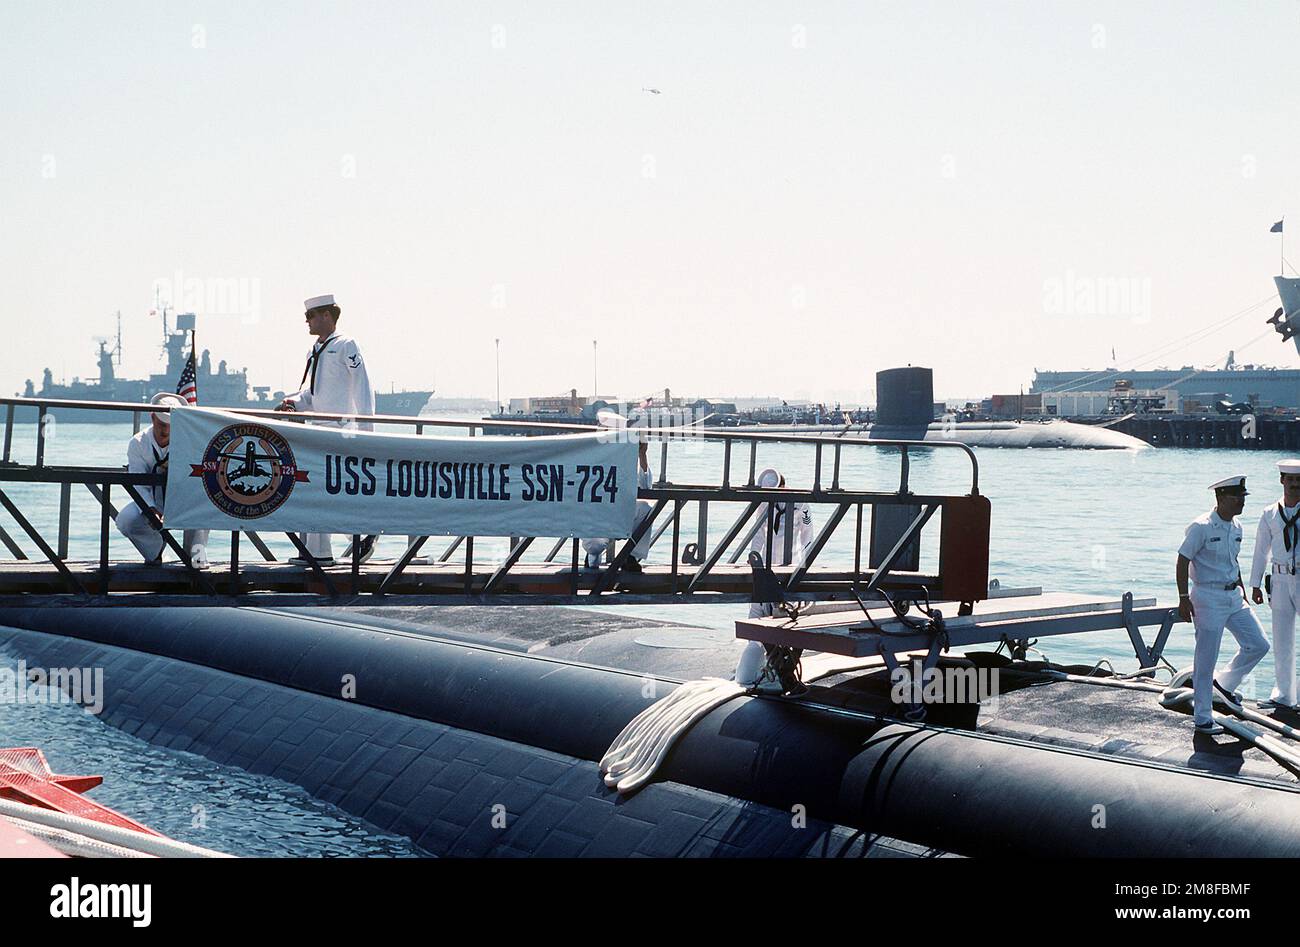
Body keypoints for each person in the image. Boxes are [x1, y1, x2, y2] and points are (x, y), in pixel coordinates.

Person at [276, 293, 376, 566]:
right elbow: (313, 393)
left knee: (331, 489)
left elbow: (363, 387)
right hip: (318, 430)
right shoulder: (314, 351)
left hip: (341, 431)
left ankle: (354, 537)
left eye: (310, 316)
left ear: (327, 316)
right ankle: (314, 550)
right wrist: (294, 402)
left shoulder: (346, 345)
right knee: (312, 487)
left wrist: (366, 430)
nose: (306, 321)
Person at [1176, 474, 1269, 735]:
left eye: (1242, 497)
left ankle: (1224, 685)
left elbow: (1233, 561)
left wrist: (1241, 588)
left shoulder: (1237, 527)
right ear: (1220, 498)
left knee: (1259, 644)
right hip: (1207, 597)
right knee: (1206, 659)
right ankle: (1203, 718)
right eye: (1237, 497)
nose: (1241, 501)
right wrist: (1183, 598)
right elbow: (1183, 560)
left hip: (1233, 596)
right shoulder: (1201, 526)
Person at [735, 467, 814, 689]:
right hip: (767, 565)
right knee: (757, 614)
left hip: (790, 565)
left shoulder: (801, 506)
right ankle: (757, 661)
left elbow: (808, 534)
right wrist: (754, 560)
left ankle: (783, 666)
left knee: (790, 615)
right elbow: (758, 534)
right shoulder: (764, 507)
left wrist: (804, 564)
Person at [117, 392, 210, 568]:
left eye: (170, 425)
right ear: (152, 417)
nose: (165, 430)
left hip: (185, 499)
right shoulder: (138, 443)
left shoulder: (190, 442)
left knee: (201, 514)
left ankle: (196, 559)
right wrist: (150, 509)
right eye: (161, 424)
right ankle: (156, 552)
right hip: (154, 500)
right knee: (126, 521)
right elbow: (138, 481)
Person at [1250, 460, 1300, 710]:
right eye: (1290, 480)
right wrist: (1255, 584)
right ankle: (1283, 695)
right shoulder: (1270, 513)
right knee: (1282, 639)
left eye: (1298, 481)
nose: (1294, 485)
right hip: (1279, 578)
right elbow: (1261, 551)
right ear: (1282, 481)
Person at [581, 412, 653, 572]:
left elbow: (646, 487)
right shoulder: (587, 454)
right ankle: (592, 559)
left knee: (645, 509)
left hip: (619, 514)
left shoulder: (629, 454)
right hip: (595, 517)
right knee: (594, 547)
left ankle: (631, 556)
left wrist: (642, 455)